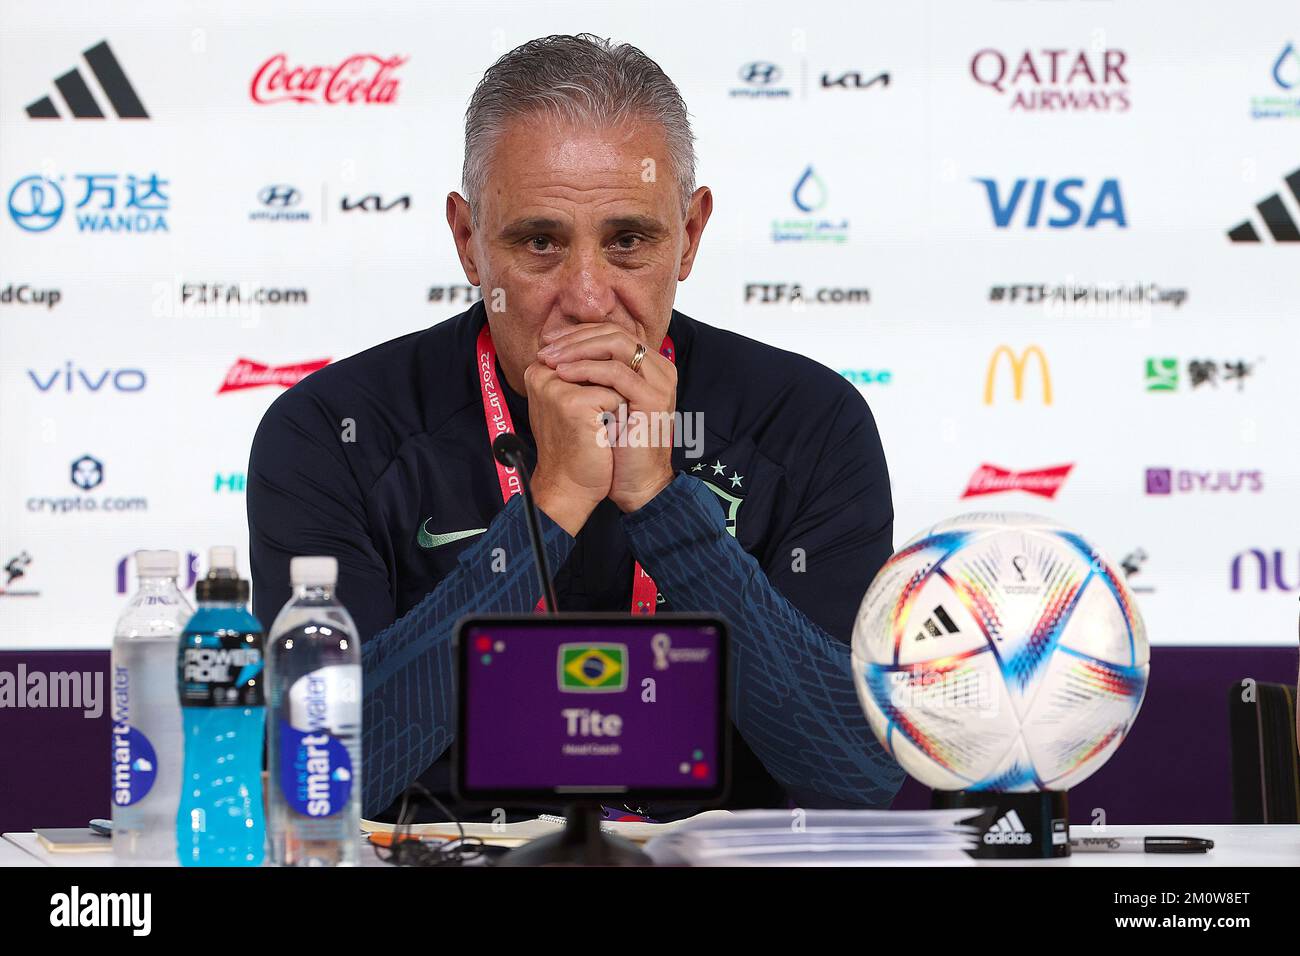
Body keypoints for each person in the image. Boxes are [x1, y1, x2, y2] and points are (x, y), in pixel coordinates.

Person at [247, 33, 903, 820]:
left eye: (628, 241)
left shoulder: (808, 421)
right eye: (539, 243)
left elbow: (855, 773)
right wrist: (549, 508)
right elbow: (322, 777)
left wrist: (664, 507)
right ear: (467, 242)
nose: (589, 299)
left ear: (690, 236)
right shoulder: (331, 430)